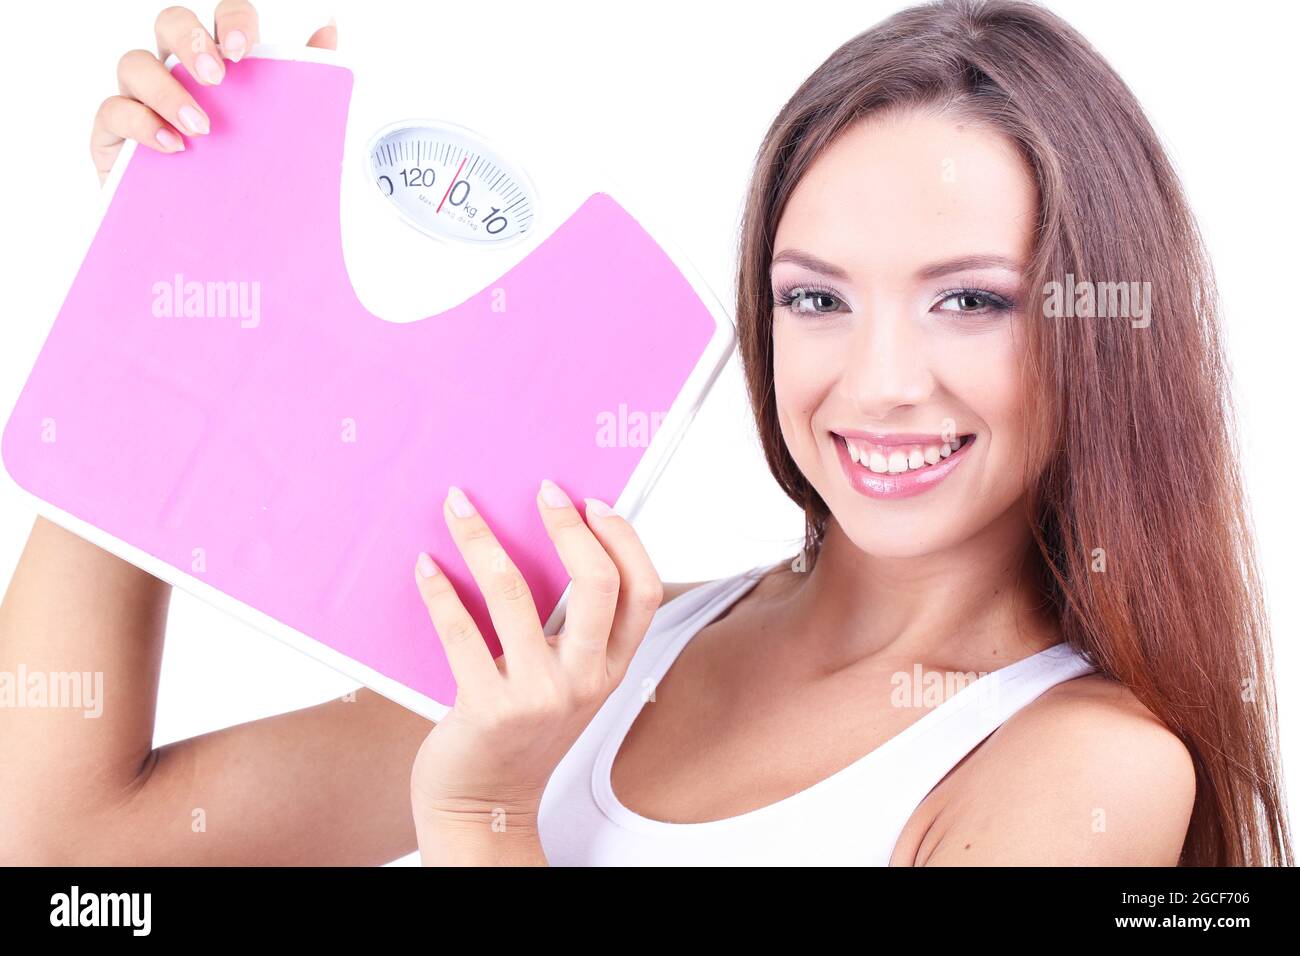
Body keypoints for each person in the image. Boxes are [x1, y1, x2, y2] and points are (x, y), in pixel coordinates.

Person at [0, 0, 1289, 866]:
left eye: (969, 300)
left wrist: (487, 811)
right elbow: (67, 847)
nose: (883, 380)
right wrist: (162, 304)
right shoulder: (586, 658)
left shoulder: (1089, 772)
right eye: (817, 298)